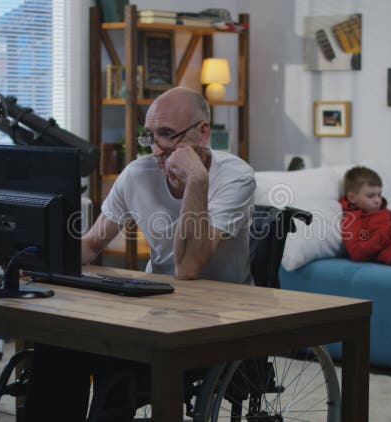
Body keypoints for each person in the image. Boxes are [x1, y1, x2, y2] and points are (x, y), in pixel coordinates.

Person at [25, 86, 256, 420]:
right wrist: (31, 256)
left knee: (116, 369)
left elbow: (188, 268)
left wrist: (197, 179)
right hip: (158, 307)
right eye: (150, 136)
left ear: (203, 133)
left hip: (220, 318)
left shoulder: (235, 177)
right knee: (60, 343)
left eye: (167, 135)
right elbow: (91, 244)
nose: (157, 149)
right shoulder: (137, 174)